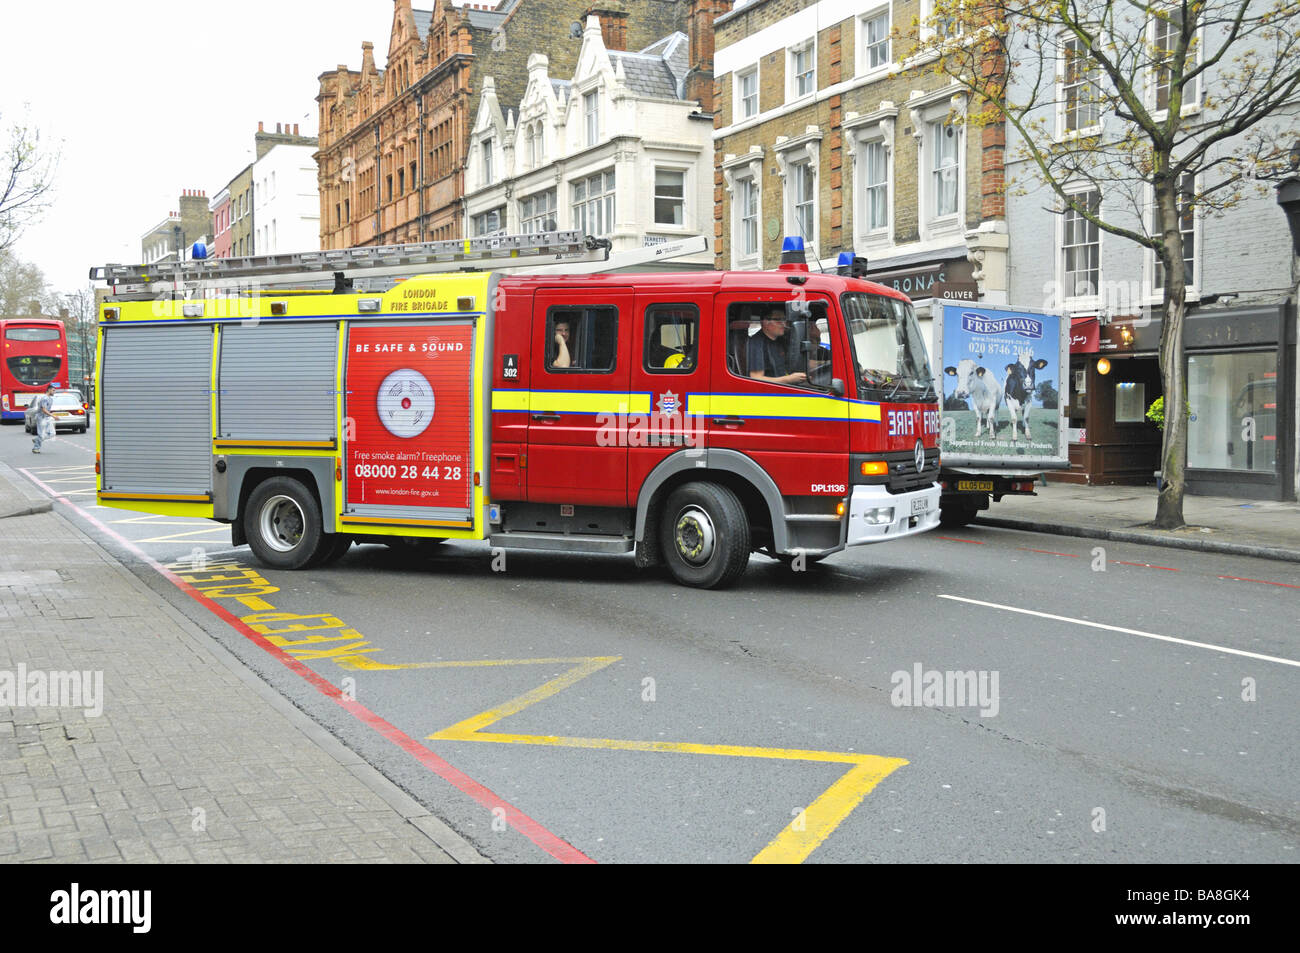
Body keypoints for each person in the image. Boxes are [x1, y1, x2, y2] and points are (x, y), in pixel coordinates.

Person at [747, 309, 807, 385]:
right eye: (778, 320)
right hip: (770, 392)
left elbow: (794, 360)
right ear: (765, 323)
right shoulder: (756, 343)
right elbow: (756, 377)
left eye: (784, 319)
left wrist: (821, 363)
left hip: (785, 385)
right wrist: (789, 379)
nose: (784, 324)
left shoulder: (781, 340)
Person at [31, 384, 56, 453]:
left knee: (51, 433)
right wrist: (53, 416)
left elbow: (47, 410)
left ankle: (37, 440)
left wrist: (51, 416)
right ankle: (36, 448)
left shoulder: (50, 399)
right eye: (53, 390)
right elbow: (44, 409)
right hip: (41, 418)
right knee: (41, 434)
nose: (54, 392)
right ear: (49, 390)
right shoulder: (44, 398)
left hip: (47, 418)